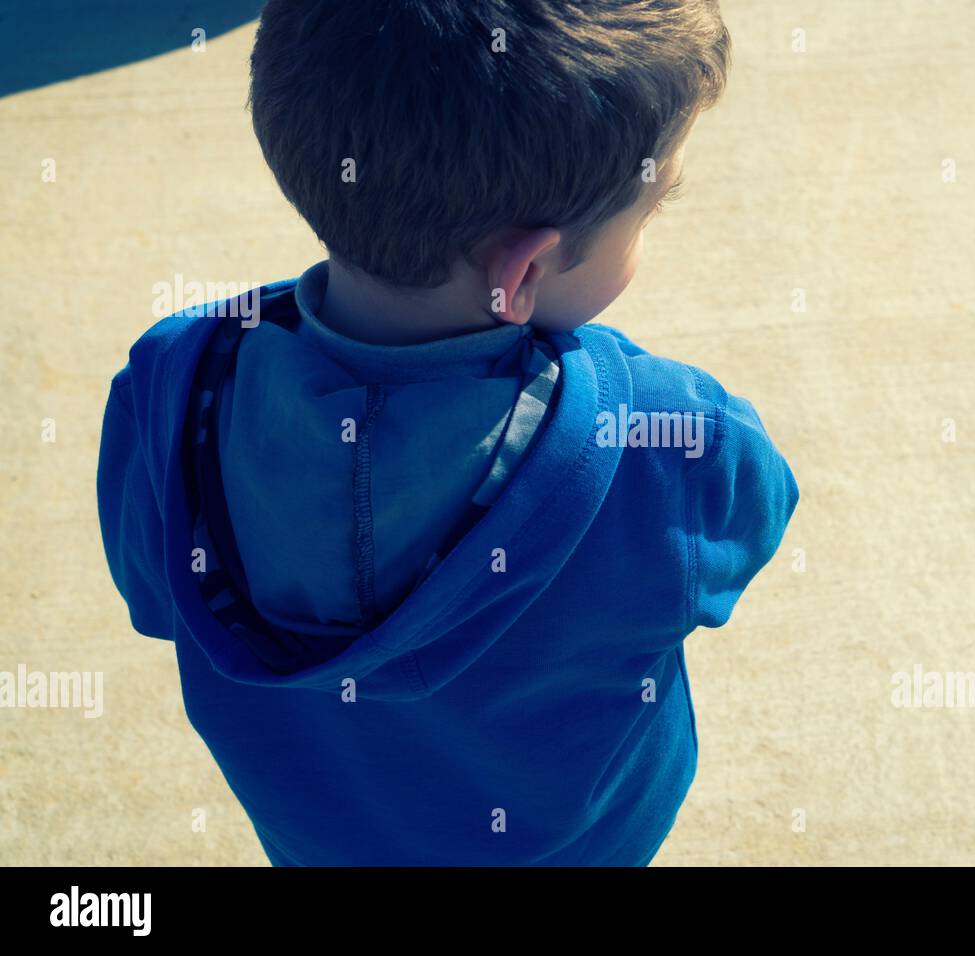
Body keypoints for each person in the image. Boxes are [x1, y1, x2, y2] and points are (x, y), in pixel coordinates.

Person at [96, 0, 798, 865]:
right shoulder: (672, 440)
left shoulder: (167, 385)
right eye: (649, 212)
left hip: (319, 840)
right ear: (523, 273)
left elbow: (157, 600)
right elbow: (753, 523)